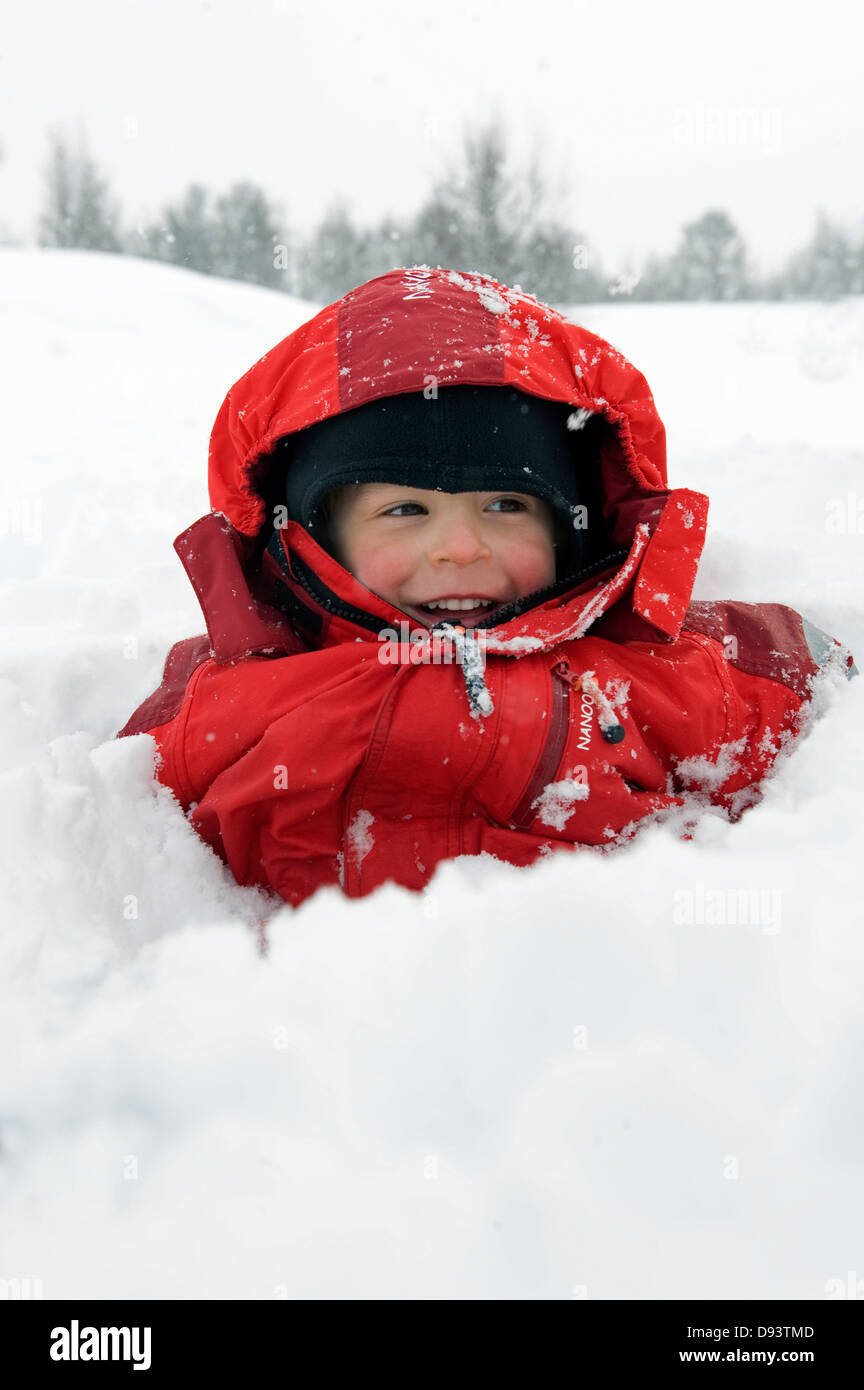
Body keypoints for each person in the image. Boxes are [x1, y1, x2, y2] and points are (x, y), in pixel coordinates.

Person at [116, 265, 856, 908]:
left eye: (506, 506)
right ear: (314, 539)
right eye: (406, 510)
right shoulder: (223, 707)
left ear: (572, 529)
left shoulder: (673, 679)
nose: (462, 548)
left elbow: (828, 706)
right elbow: (103, 831)